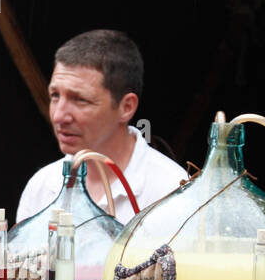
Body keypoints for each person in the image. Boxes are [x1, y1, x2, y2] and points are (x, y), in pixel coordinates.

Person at [16, 29, 186, 224]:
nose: (58, 115)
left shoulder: (171, 193)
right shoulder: (43, 188)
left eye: (80, 99)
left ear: (126, 107)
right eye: (55, 95)